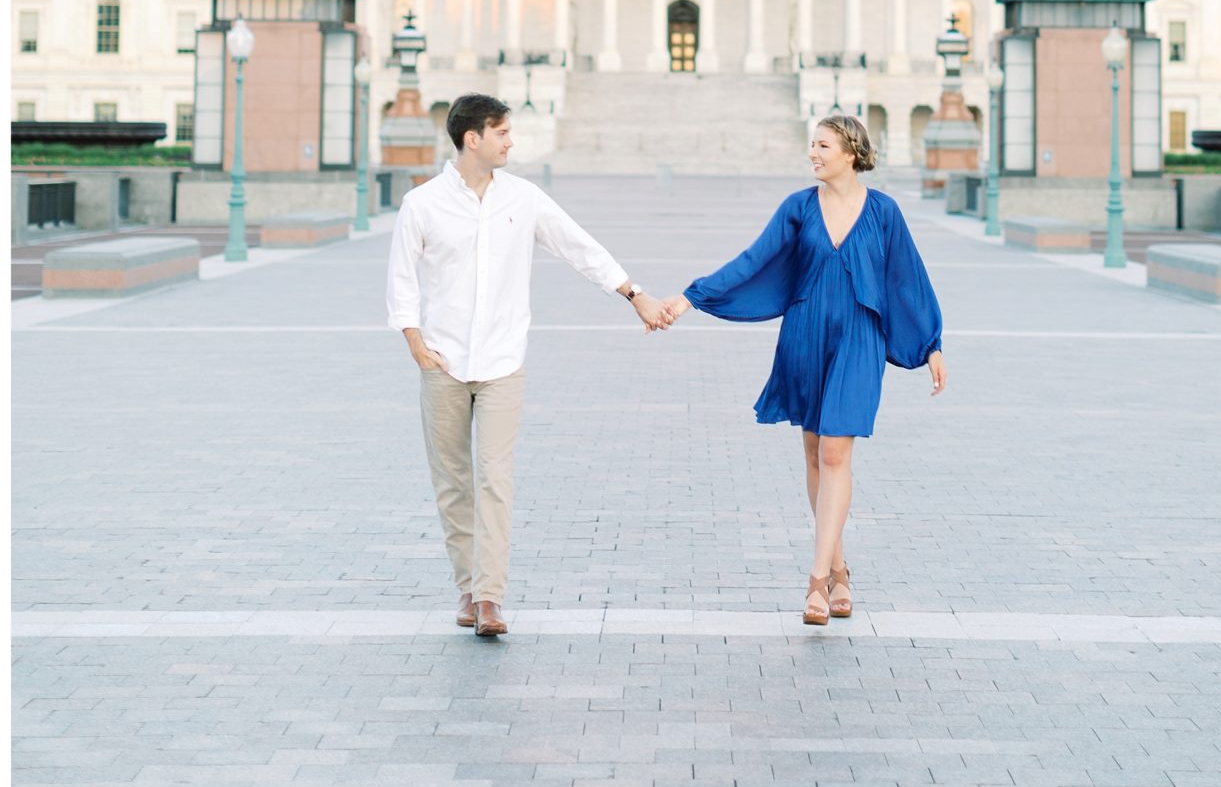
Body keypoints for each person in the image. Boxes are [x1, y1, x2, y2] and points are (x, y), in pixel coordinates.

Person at [386, 92, 672, 636]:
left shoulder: (523, 197)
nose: (510, 142)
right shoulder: (422, 204)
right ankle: (467, 587)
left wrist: (634, 294)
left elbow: (579, 247)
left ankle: (489, 597)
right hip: (442, 362)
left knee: (495, 479)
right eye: (502, 133)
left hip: (502, 362)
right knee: (452, 482)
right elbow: (402, 278)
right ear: (472, 138)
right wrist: (414, 342)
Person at [661, 115, 945, 625]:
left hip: (859, 336)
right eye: (812, 145)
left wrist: (931, 345)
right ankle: (838, 568)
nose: (812, 153)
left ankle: (816, 581)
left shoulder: (884, 211)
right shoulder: (798, 207)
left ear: (851, 153)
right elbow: (753, 261)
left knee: (836, 450)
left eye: (822, 145)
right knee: (815, 452)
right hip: (807, 333)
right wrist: (690, 297)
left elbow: (907, 277)